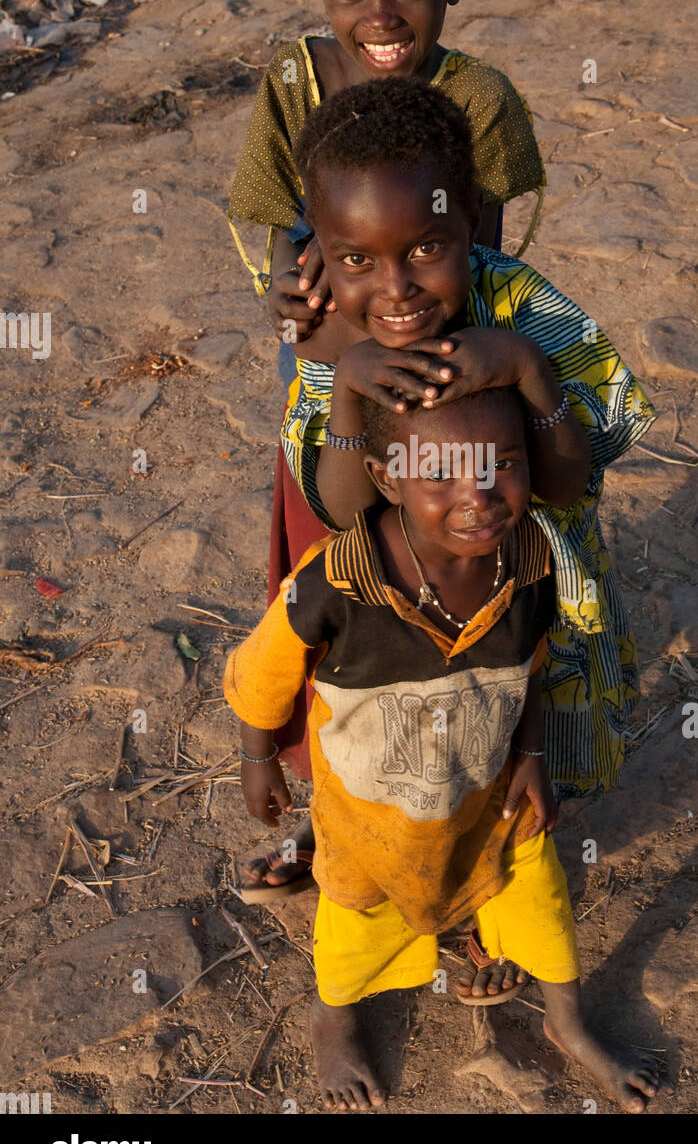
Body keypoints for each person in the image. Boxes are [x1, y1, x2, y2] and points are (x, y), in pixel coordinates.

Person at [240, 76, 657, 1005]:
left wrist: (526, 372)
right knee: (403, 780)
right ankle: (393, 906)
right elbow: (346, 509)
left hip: (518, 599)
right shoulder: (331, 340)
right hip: (404, 620)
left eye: (427, 248)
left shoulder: (522, 310)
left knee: (511, 764)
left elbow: (572, 476)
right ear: (319, 252)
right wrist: (347, 381)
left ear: (469, 221)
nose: (395, 287)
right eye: (356, 259)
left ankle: (491, 906)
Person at [224, 386, 660, 1114]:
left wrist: (531, 755)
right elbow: (262, 670)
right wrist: (256, 757)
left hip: (489, 796)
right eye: (443, 475)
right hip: (371, 815)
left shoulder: (525, 561)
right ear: (387, 478)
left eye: (502, 465)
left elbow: (532, 664)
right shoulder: (337, 580)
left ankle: (567, 1023)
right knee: (352, 926)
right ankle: (332, 1020)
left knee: (542, 903)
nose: (480, 496)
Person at [226, 0, 545, 628]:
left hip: (437, 364)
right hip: (323, 349)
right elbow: (271, 212)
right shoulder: (295, 81)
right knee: (330, 534)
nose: (379, 18)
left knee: (423, 538)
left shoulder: (478, 99)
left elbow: (479, 262)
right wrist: (286, 291)